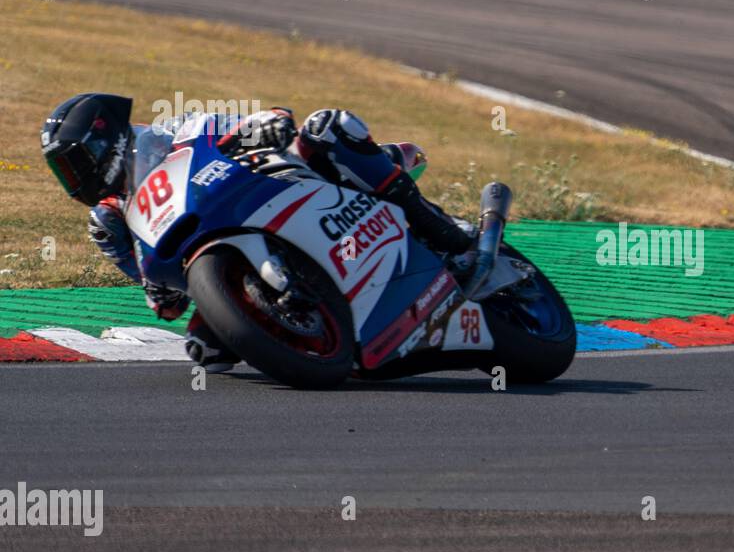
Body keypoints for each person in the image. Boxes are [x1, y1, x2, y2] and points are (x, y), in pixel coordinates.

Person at [40, 93, 472, 371]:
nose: (73, 179)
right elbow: (155, 293)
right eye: (65, 171)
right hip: (214, 246)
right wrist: (159, 290)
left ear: (106, 141)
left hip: (275, 184)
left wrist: (262, 125)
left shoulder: (175, 131)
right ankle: (327, 333)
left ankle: (438, 226)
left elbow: (265, 119)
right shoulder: (111, 218)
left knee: (326, 126)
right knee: (204, 351)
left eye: (76, 163)